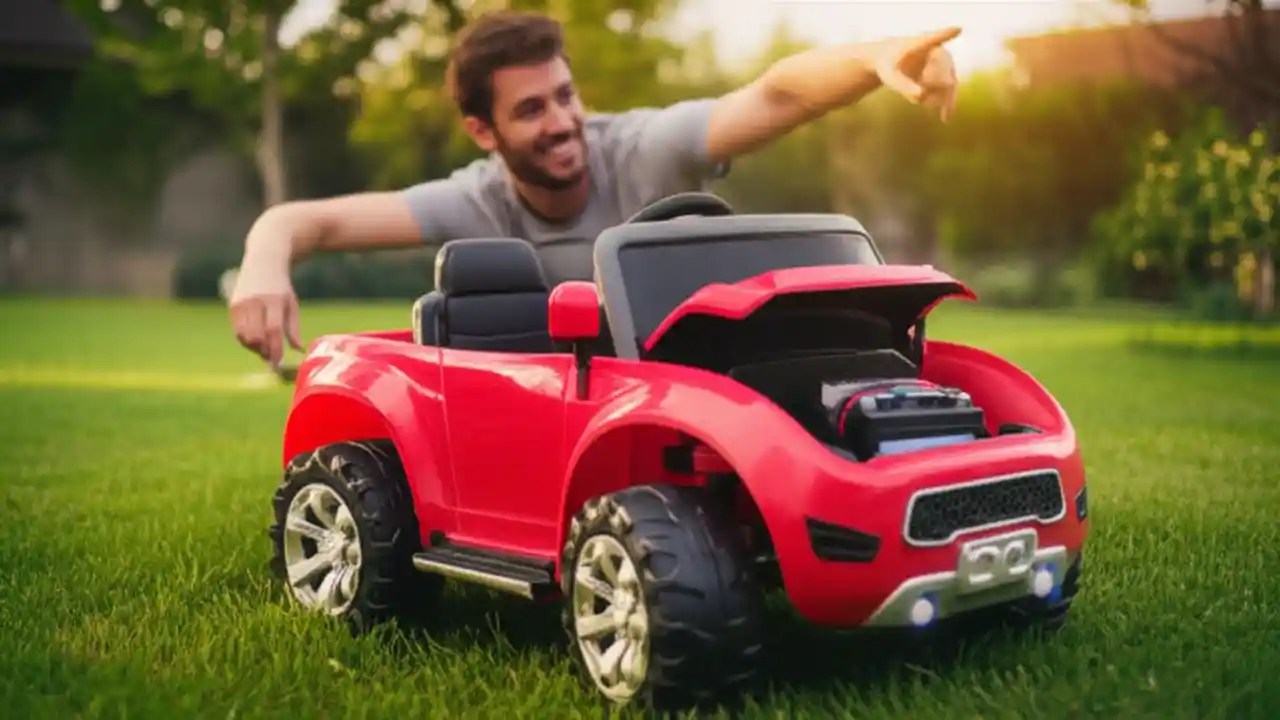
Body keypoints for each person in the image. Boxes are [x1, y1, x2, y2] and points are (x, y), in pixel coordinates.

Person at [229, 10, 960, 368]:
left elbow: (776, 96)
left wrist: (875, 58)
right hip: (573, 412)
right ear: (484, 131)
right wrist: (265, 261)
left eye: (565, 96)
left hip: (704, 383)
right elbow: (306, 222)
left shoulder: (644, 149)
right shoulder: (477, 201)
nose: (561, 123)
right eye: (530, 109)